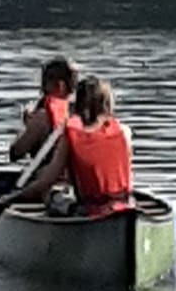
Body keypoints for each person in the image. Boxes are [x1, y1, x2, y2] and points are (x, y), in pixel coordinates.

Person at [8, 74, 133, 217]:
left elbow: (45, 182)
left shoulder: (70, 135)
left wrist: (13, 198)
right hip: (125, 205)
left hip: (89, 210)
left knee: (54, 195)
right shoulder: (124, 132)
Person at [7, 55, 77, 164]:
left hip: (48, 176)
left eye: (45, 83)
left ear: (60, 85)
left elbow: (16, 153)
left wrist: (27, 126)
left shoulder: (42, 118)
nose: (42, 90)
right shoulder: (78, 114)